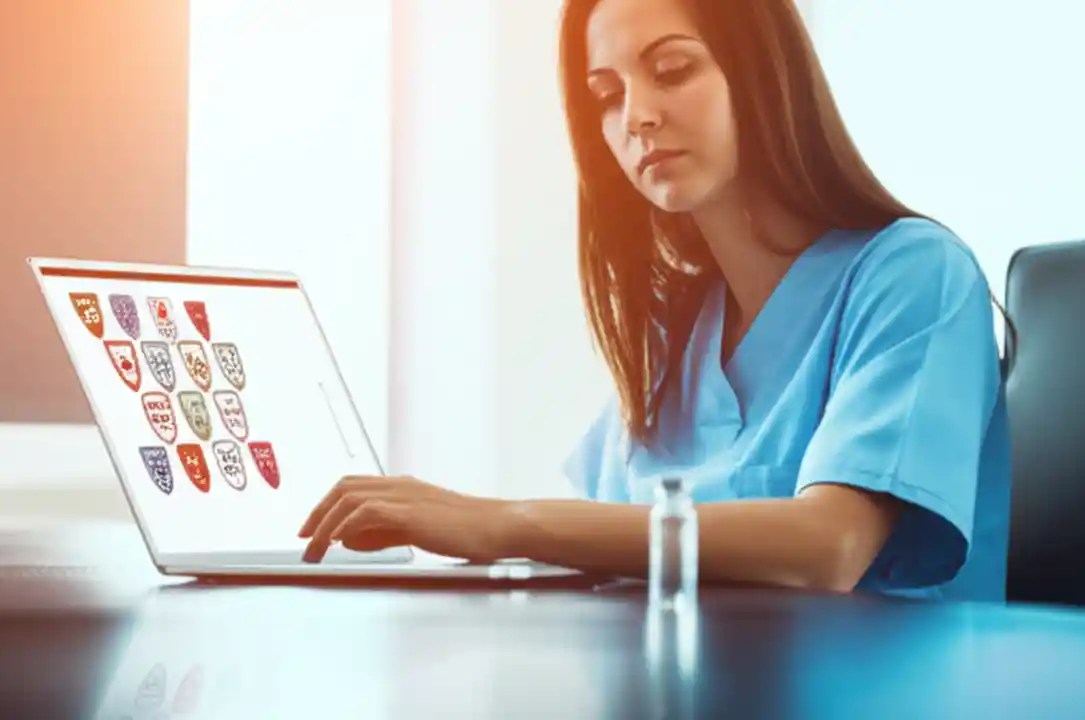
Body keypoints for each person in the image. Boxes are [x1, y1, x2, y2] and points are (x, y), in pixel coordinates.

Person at [300, 0, 1013, 601]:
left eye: (672, 71)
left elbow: (830, 547)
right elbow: (604, 544)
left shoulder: (916, 273)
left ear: (762, 72)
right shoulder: (676, 336)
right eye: (607, 96)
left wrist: (502, 522)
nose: (636, 116)